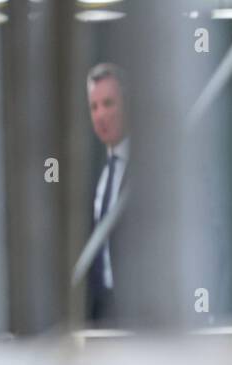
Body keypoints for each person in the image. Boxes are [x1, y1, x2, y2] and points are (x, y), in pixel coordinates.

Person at [85, 62, 129, 328]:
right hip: (100, 318)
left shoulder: (151, 167)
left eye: (109, 103)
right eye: (94, 107)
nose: (100, 115)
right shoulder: (94, 175)